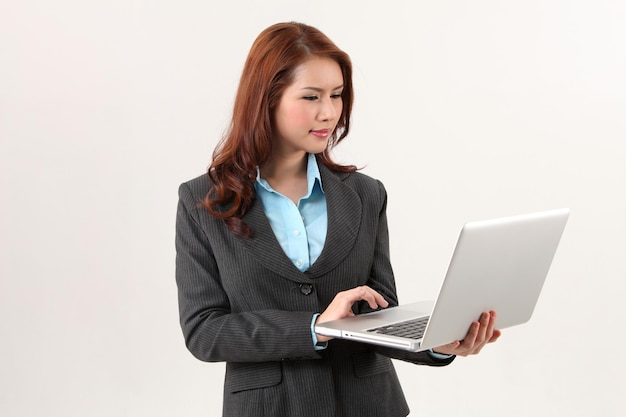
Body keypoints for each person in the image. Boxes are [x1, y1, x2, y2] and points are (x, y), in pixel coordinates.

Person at [175, 22, 501, 417]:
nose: (329, 112)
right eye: (311, 96)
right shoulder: (203, 201)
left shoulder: (365, 194)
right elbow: (204, 331)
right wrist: (314, 328)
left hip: (368, 405)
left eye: (337, 95)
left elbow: (378, 316)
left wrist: (434, 343)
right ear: (266, 99)